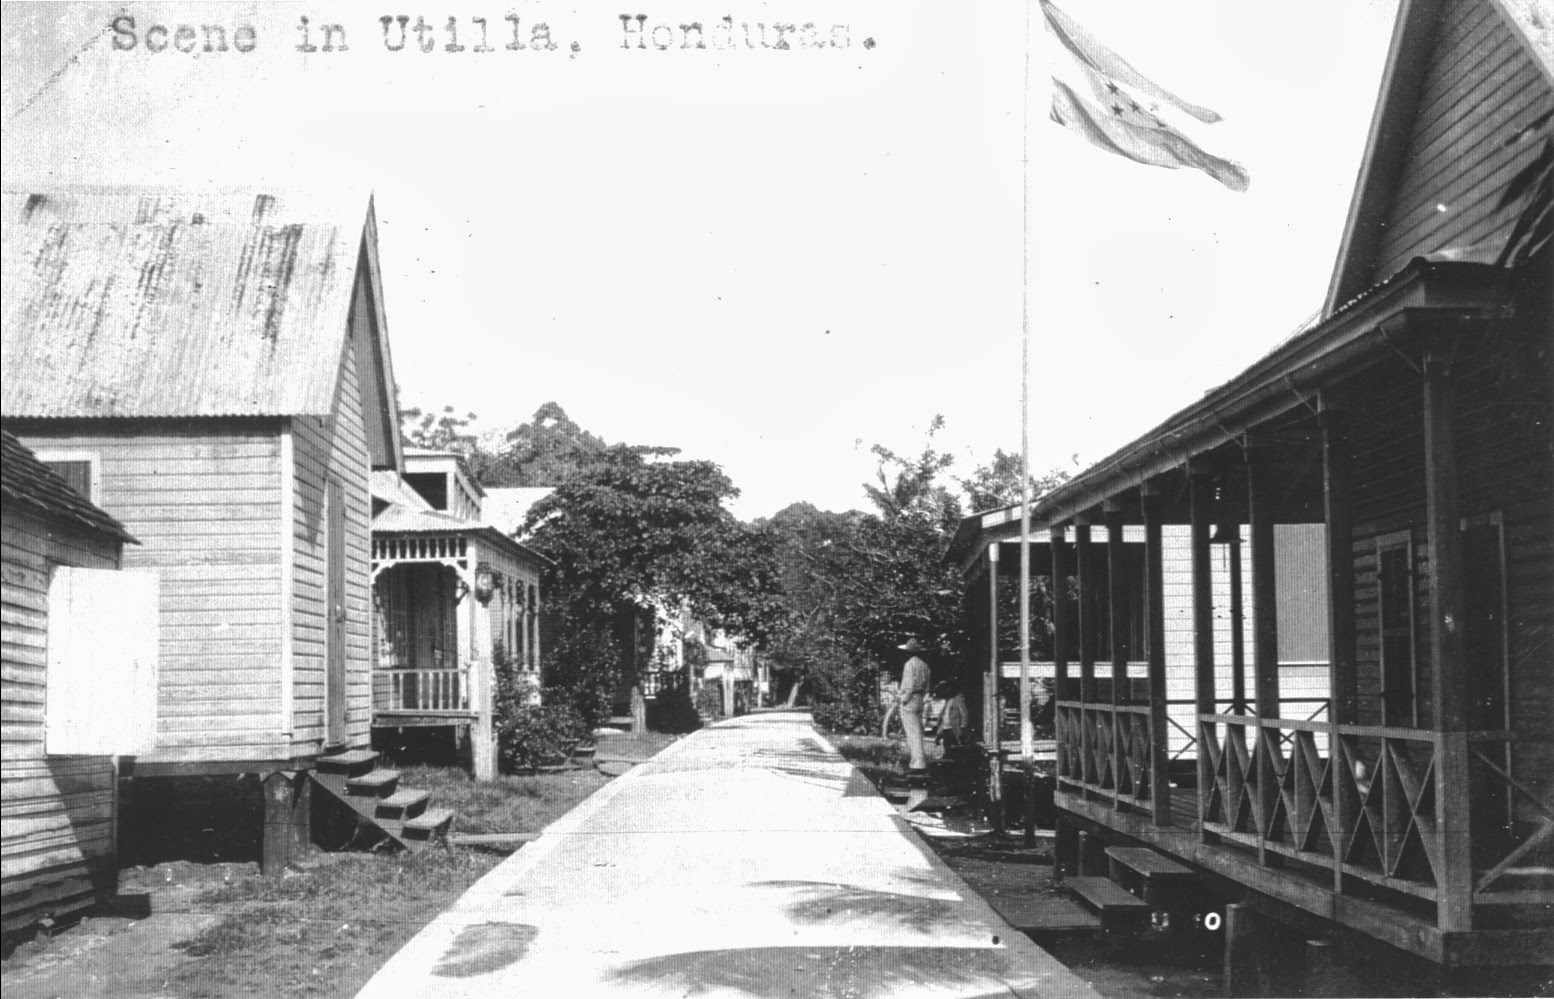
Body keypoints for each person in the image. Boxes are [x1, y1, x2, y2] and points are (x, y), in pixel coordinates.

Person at [897, 638, 931, 773]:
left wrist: (904, 699)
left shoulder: (909, 665)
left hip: (910, 699)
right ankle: (917, 762)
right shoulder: (925, 666)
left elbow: (910, 685)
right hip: (920, 699)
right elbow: (927, 686)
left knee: (912, 733)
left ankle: (918, 764)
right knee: (918, 732)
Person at [933, 679, 969, 753]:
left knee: (955, 749)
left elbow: (964, 713)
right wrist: (938, 734)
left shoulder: (957, 699)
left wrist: (963, 726)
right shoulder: (947, 701)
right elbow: (943, 719)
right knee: (948, 749)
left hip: (954, 728)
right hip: (946, 729)